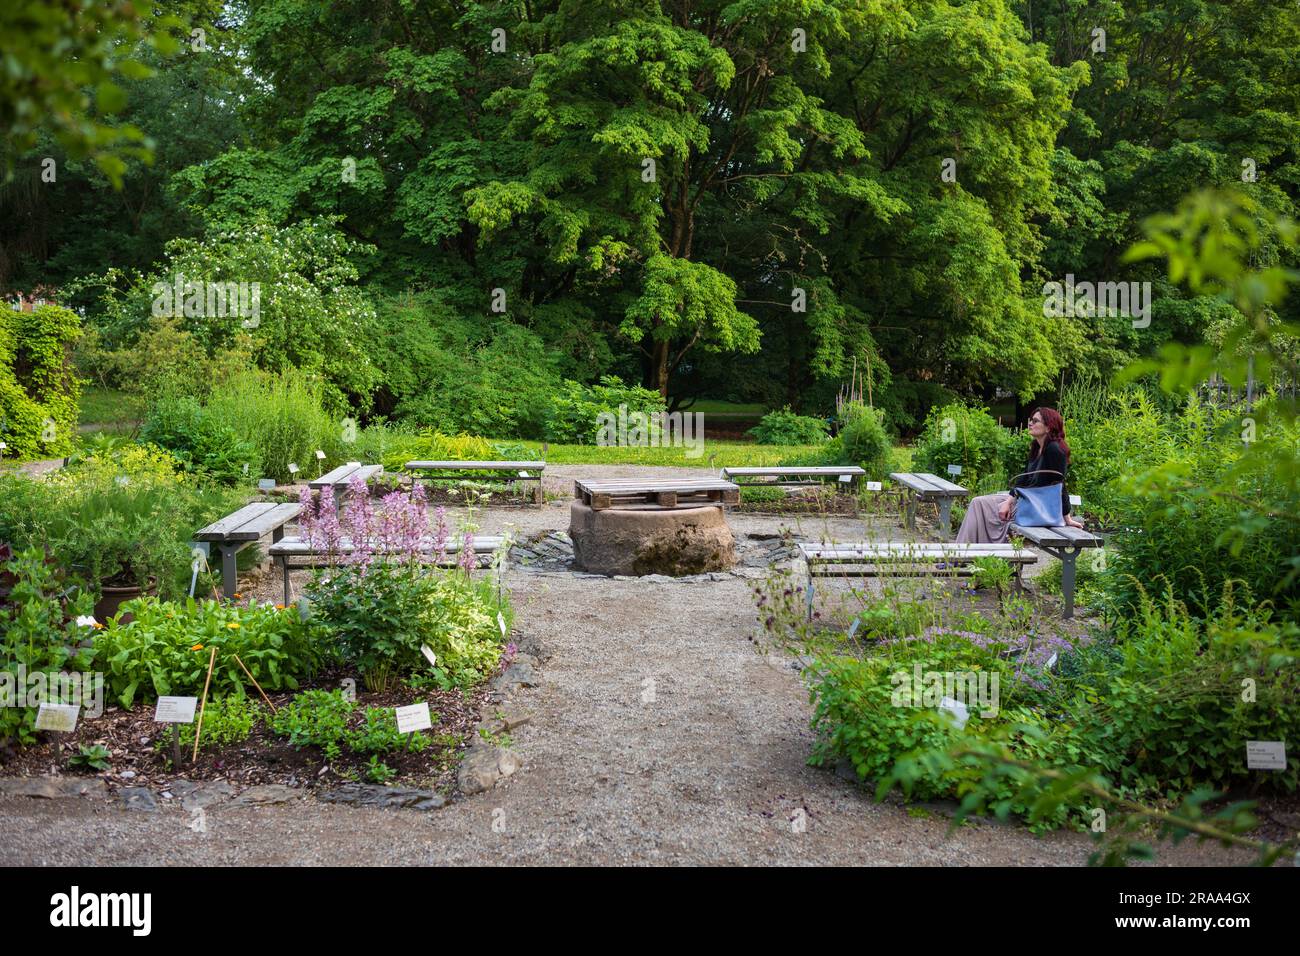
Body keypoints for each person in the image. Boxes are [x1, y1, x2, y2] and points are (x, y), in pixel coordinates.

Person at [954, 407, 1085, 544]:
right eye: (1030, 420)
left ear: (1048, 427)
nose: (1030, 423)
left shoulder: (1054, 450)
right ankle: (963, 553)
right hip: (1027, 499)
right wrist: (1009, 500)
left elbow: (1059, 484)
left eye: (1035, 421)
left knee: (982, 505)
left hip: (1040, 507)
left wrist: (1067, 517)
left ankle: (964, 555)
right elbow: (1024, 479)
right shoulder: (1037, 447)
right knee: (978, 502)